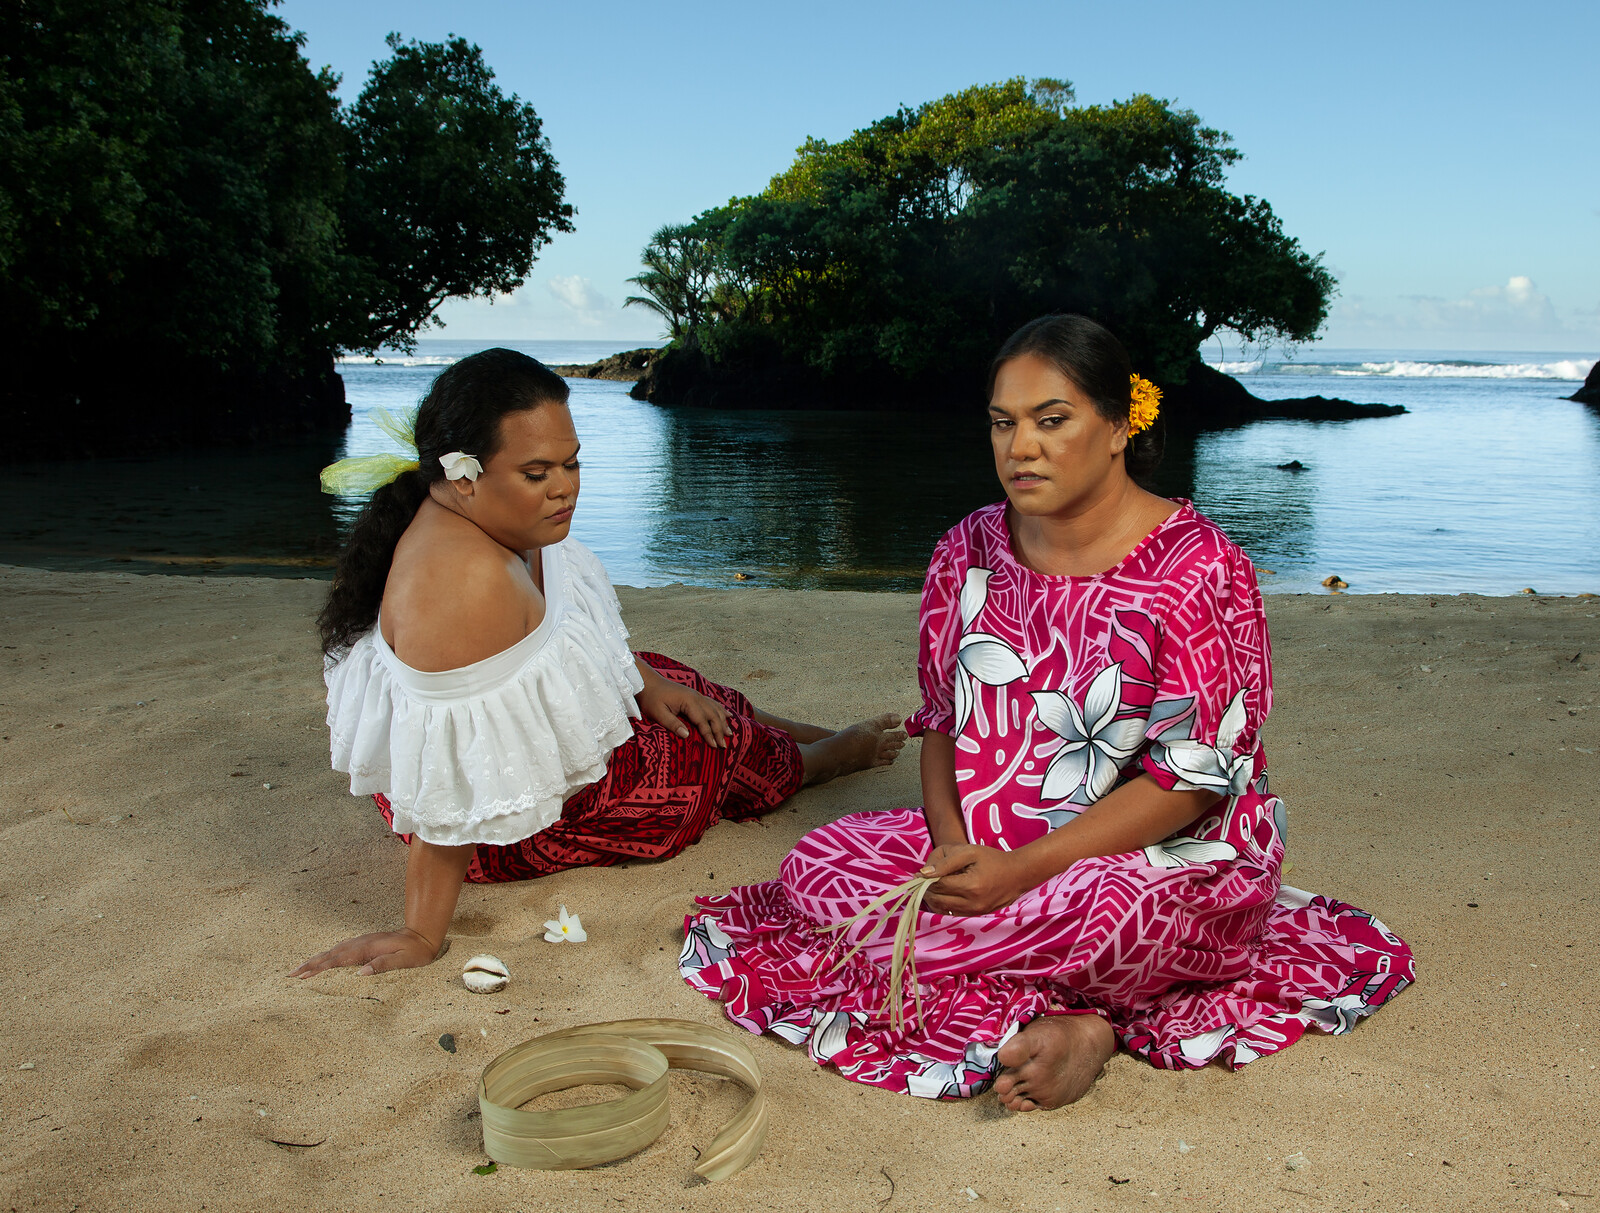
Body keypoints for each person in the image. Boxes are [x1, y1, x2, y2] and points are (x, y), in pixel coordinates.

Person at [679, 314, 1414, 1109]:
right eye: (1003, 422)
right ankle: (1071, 1002)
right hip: (991, 843)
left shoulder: (1200, 567)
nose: (1020, 447)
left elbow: (1193, 783)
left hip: (1158, 861)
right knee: (816, 867)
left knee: (1111, 915)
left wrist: (1024, 873)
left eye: (1051, 420)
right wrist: (951, 849)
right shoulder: (967, 551)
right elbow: (943, 721)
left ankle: (1090, 1025)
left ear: (1119, 426)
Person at [292, 348, 905, 979]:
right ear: (465, 475)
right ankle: (818, 760)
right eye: (538, 473)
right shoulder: (465, 584)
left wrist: (644, 680)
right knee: (702, 749)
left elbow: (562, 641)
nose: (565, 488)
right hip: (496, 823)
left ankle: (796, 735)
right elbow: (451, 778)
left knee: (672, 680)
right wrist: (421, 932)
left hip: (498, 767)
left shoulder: (486, 512)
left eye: (572, 462)